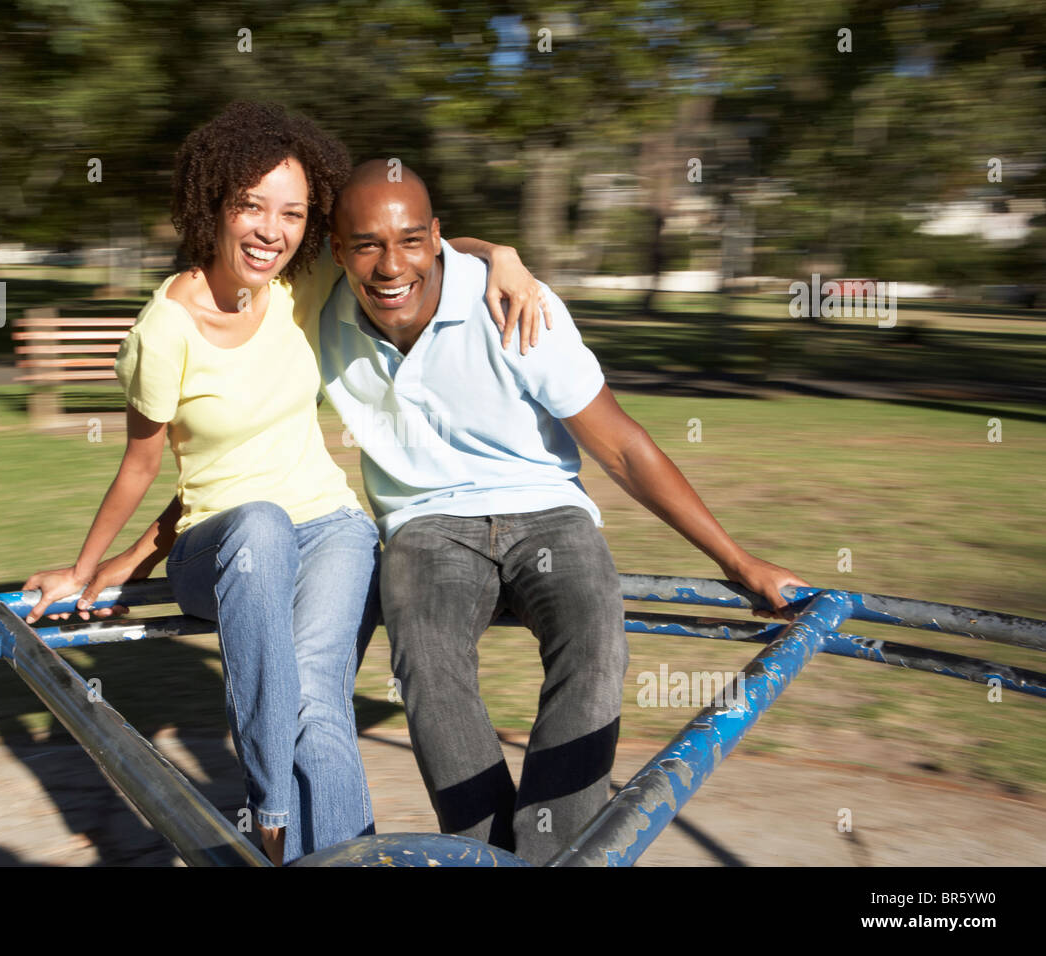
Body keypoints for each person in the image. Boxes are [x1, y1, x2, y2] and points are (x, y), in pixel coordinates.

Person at [19, 104, 546, 865]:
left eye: (293, 213)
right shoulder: (163, 331)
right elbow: (142, 465)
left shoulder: (300, 284)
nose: (273, 230)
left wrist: (502, 254)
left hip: (331, 531)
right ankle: (268, 808)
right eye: (252, 206)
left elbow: (402, 247)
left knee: (316, 706)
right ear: (214, 206)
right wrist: (90, 566)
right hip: (221, 551)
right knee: (260, 524)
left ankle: (321, 851)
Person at [315, 159, 810, 865]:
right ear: (338, 250)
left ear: (437, 238)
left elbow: (622, 448)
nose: (392, 266)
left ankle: (551, 854)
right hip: (426, 524)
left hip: (545, 508)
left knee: (595, 640)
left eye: (411, 241)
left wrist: (737, 559)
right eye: (366, 245)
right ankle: (490, 855)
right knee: (424, 657)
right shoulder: (319, 309)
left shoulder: (514, 303)